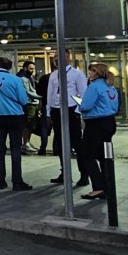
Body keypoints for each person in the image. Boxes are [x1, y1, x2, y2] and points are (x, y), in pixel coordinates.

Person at [0, 56, 32, 190]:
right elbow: (23, 100)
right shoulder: (15, 80)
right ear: (10, 67)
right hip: (15, 117)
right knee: (16, 148)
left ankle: (0, 180)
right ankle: (17, 181)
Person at [76, 62, 119, 201]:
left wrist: (80, 104)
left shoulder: (94, 87)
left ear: (98, 73)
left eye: (92, 71)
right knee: (103, 156)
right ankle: (107, 185)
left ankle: (98, 187)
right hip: (109, 122)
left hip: (95, 124)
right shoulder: (110, 87)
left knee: (87, 155)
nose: (89, 74)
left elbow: (86, 106)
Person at [48, 49, 89, 186]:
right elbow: (51, 93)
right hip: (56, 109)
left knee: (77, 143)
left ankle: (84, 174)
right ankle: (65, 173)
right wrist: (49, 111)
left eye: (62, 56)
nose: (58, 59)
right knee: (60, 144)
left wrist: (77, 110)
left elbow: (82, 93)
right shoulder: (53, 75)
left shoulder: (76, 74)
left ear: (68, 57)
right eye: (56, 56)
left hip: (71, 109)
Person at [17, 61, 41, 154]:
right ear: (25, 68)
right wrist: (39, 97)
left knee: (31, 124)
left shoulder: (30, 77)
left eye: (33, 69)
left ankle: (27, 142)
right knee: (28, 124)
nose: (32, 70)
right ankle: (25, 143)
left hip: (33, 102)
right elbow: (27, 91)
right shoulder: (23, 78)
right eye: (31, 68)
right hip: (29, 103)